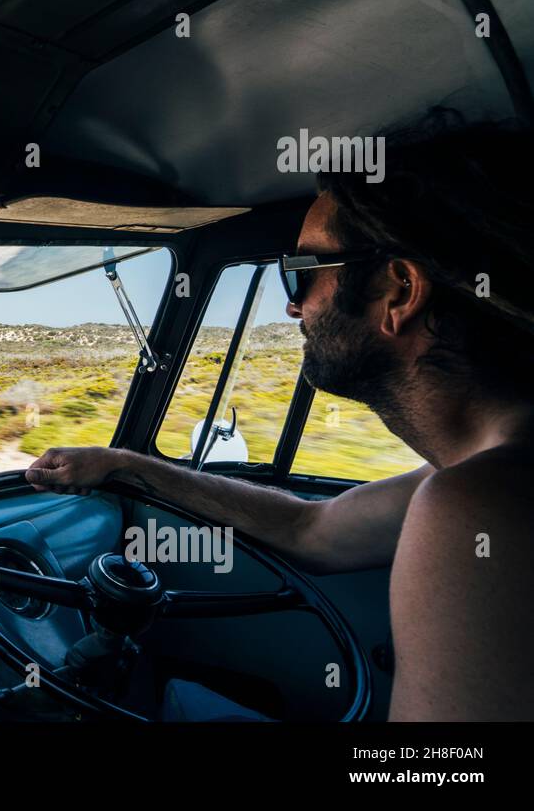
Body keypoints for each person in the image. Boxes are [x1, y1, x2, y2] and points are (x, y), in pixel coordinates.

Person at [26, 112, 534, 720]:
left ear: (398, 290)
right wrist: (124, 465)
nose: (292, 306)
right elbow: (310, 531)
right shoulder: (487, 472)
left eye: (303, 271)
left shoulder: (483, 501)